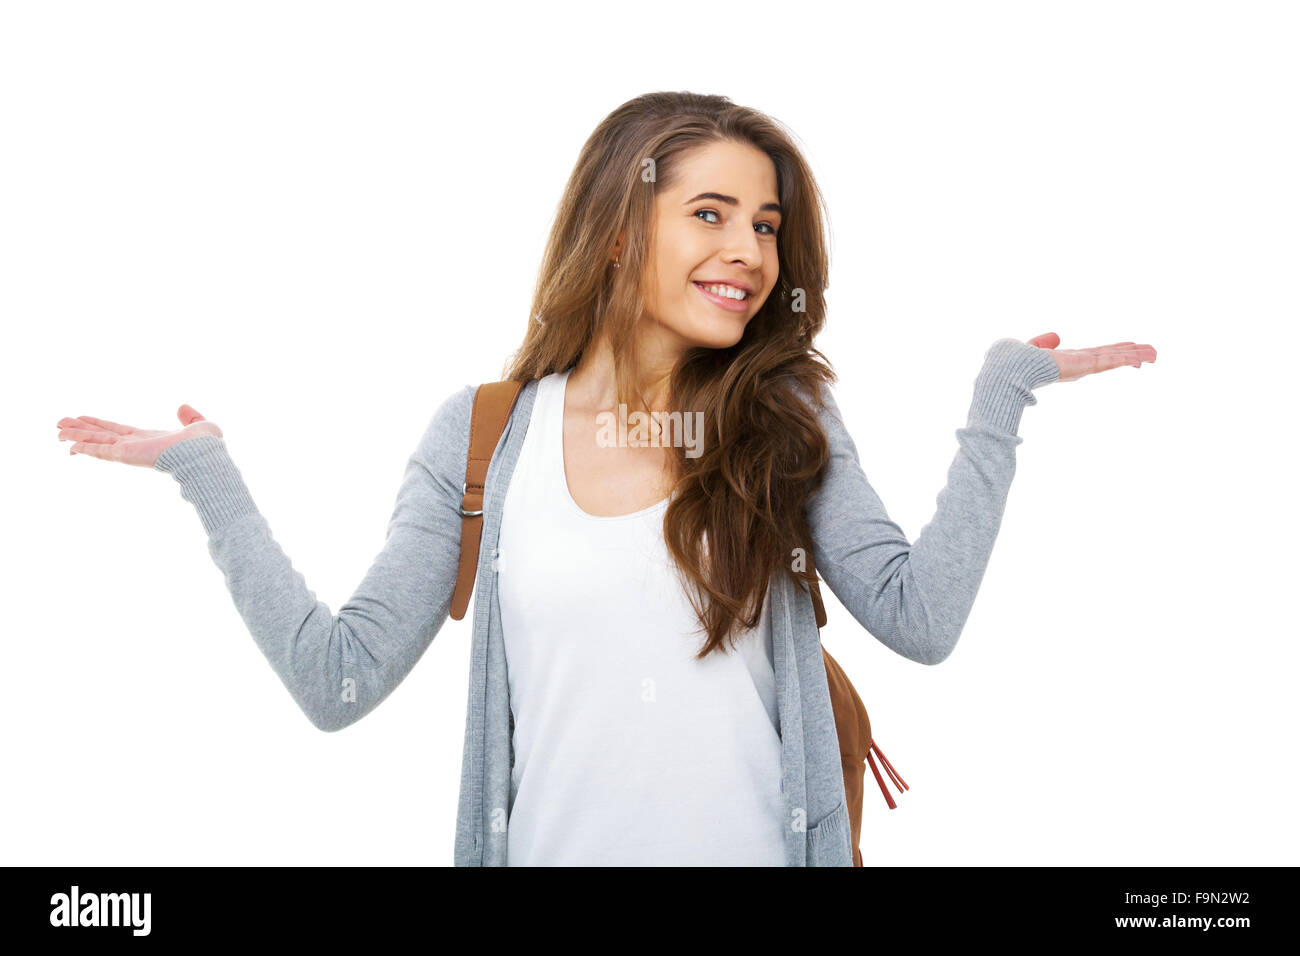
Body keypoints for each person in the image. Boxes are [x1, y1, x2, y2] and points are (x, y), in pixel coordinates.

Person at [55, 91, 1156, 866]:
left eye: (766, 224)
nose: (751, 253)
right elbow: (337, 680)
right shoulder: (485, 434)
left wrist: (999, 401)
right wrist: (209, 479)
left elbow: (921, 619)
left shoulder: (786, 418)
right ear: (621, 232)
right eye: (711, 214)